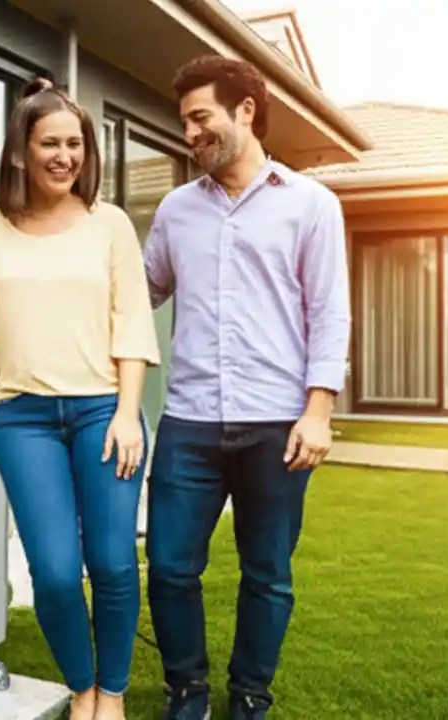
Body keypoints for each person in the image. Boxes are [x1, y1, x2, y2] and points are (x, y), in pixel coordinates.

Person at [0, 77, 160, 720]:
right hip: (21, 420)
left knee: (109, 562)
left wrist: (130, 415)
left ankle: (111, 693)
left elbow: (131, 320)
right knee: (52, 572)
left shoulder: (109, 225)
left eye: (75, 144)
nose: (64, 156)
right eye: (50, 143)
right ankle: (81, 685)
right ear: (20, 152)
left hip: (104, 412)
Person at [142, 55, 350, 720]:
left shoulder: (312, 205)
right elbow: (138, 295)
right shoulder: (176, 211)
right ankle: (188, 690)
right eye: (185, 122)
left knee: (268, 573)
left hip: (277, 423)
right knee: (171, 567)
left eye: (201, 118)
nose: (190, 133)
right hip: (190, 422)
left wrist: (317, 413)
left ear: (246, 112)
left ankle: (250, 694)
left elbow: (330, 313)